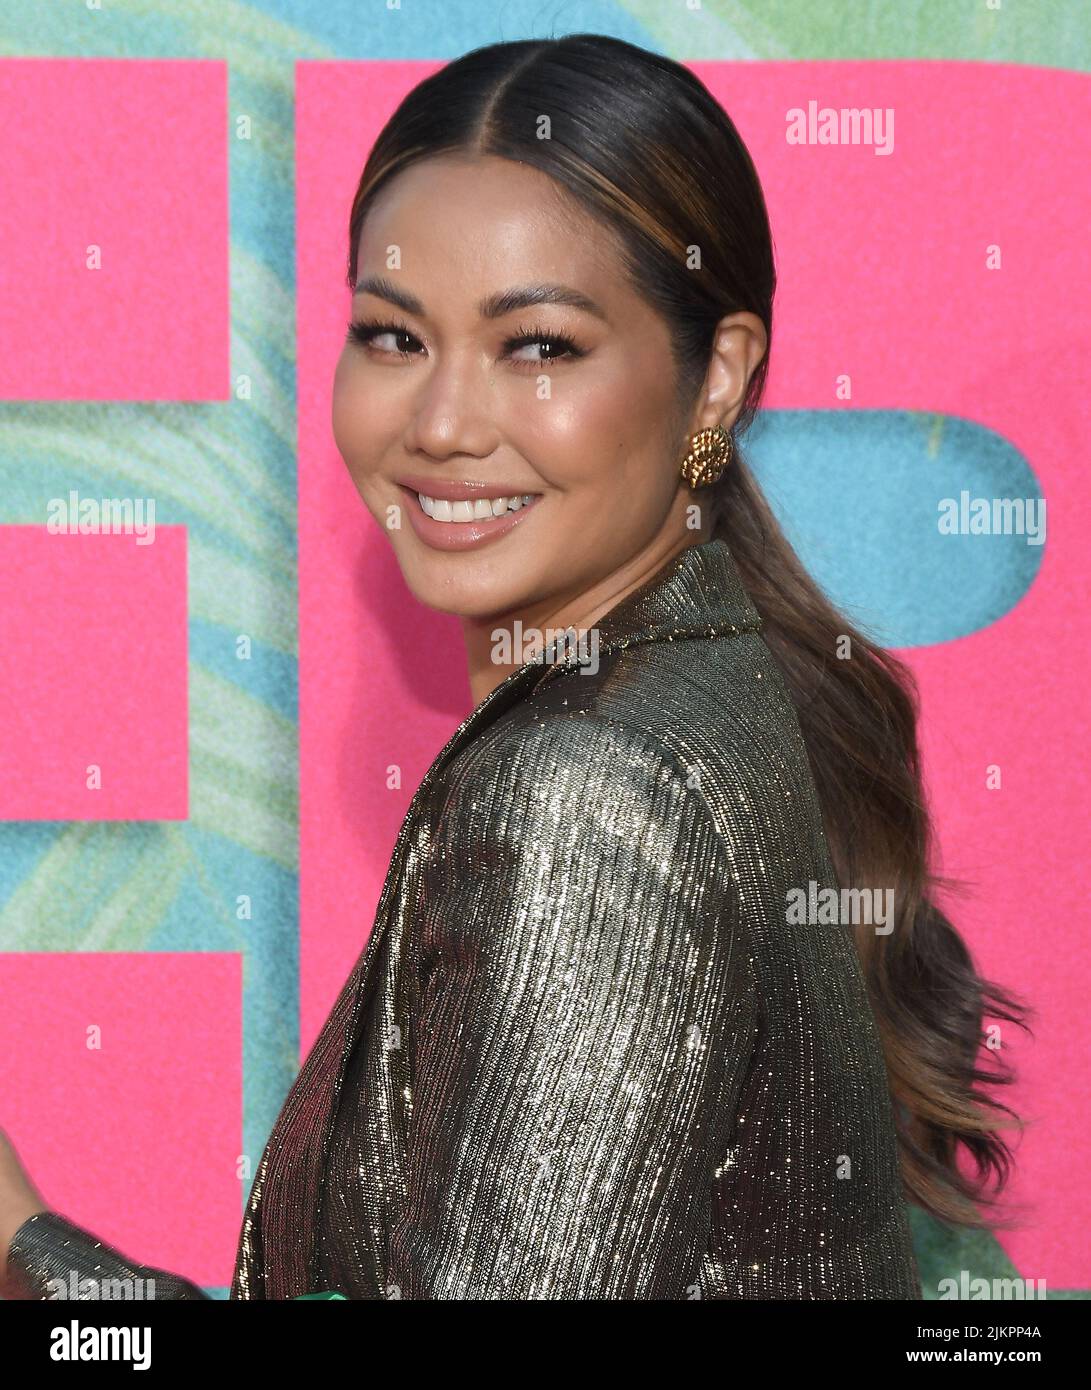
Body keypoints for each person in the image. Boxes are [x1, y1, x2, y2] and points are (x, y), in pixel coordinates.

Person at [2, 32, 1027, 1301]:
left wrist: (37, 1274)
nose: (440, 424)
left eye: (537, 345)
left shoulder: (588, 791)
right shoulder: (709, 682)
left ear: (716, 377)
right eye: (392, 338)